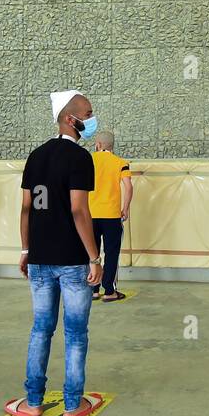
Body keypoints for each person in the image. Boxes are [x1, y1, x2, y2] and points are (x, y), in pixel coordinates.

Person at [8, 90, 104, 416]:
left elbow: (26, 208)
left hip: (39, 258)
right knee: (76, 333)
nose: (91, 119)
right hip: (73, 261)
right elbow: (79, 210)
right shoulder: (80, 159)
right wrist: (95, 257)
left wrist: (25, 249)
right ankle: (72, 405)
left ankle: (33, 403)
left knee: (40, 329)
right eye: (88, 113)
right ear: (69, 118)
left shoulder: (35, 157)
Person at [88, 129, 133, 302]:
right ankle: (109, 291)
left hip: (90, 215)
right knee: (111, 253)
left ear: (97, 145)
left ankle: (93, 290)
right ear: (112, 147)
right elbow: (128, 187)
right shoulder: (120, 162)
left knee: (92, 253)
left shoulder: (88, 160)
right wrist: (125, 208)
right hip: (111, 215)